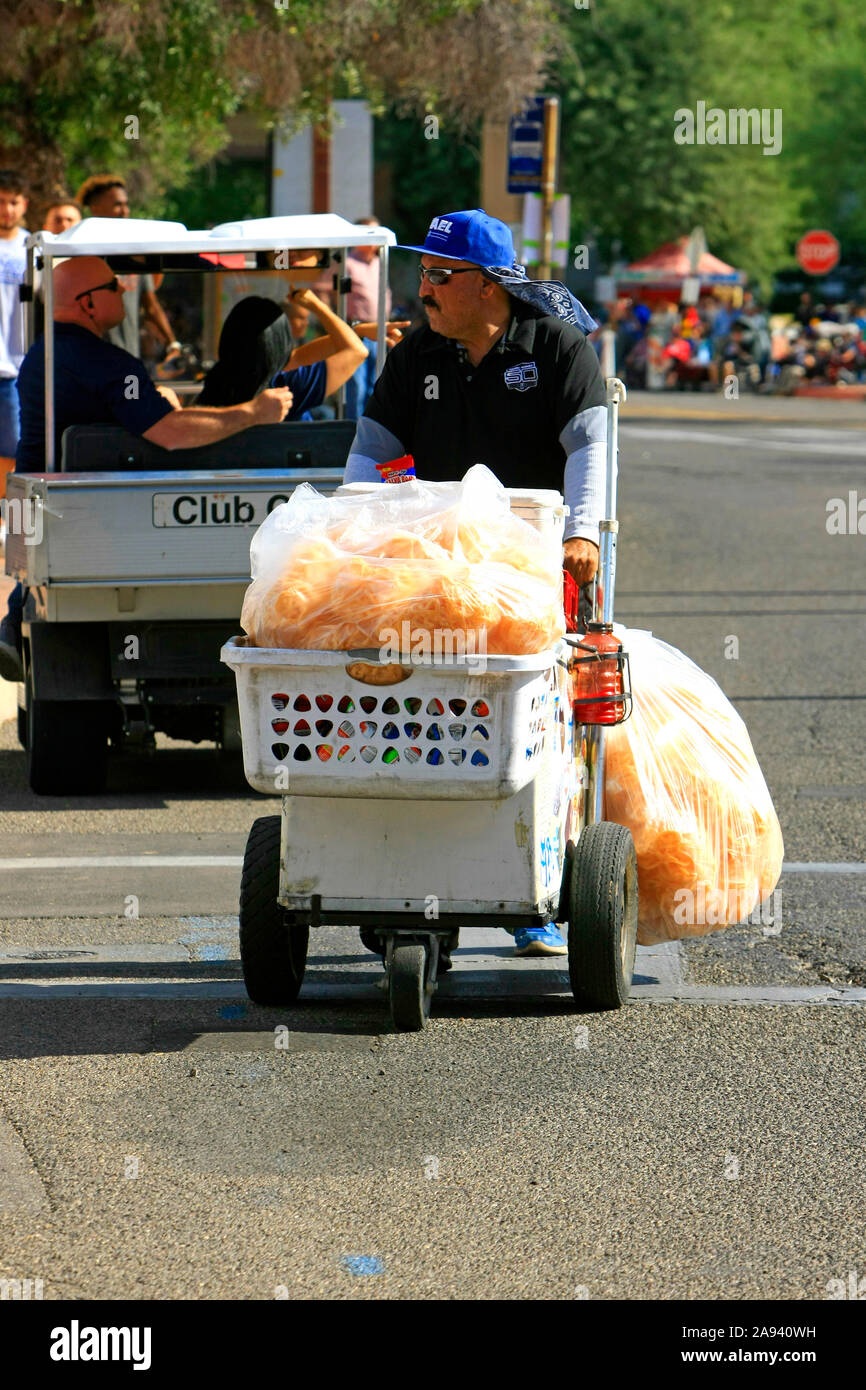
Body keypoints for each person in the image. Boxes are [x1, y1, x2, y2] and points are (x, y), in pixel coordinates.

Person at [345, 207, 608, 961]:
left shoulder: (556, 348)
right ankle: (419, 880)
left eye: (438, 276)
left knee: (539, 727)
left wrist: (582, 531)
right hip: (435, 569)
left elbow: (590, 447)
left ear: (490, 286)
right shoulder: (417, 355)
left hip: (537, 566)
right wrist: (348, 534)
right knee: (417, 709)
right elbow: (373, 452)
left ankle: (536, 891)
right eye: (420, 274)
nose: (421, 290)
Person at [0, 255, 290, 681]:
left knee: (34, 594)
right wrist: (252, 412)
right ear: (88, 303)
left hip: (40, 504)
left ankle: (12, 621)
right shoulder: (104, 361)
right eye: (114, 285)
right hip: (90, 518)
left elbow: (134, 413)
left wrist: (156, 403)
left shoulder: (42, 353)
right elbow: (169, 433)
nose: (125, 290)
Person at [197, 289, 408, 418]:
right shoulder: (287, 388)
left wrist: (359, 330)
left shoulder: (217, 381)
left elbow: (297, 357)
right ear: (281, 339)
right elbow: (356, 351)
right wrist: (317, 305)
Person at [74, 175, 181, 364]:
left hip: (129, 358)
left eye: (126, 204)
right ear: (95, 208)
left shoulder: (136, 252)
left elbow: (151, 306)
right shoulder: (82, 253)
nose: (125, 211)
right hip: (92, 359)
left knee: (131, 394)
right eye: (117, 205)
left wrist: (172, 344)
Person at [343, 216, 393, 419]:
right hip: (357, 331)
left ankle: (372, 427)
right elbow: (324, 289)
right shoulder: (347, 263)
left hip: (379, 330)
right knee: (357, 385)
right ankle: (353, 431)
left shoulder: (379, 263)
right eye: (371, 234)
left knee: (376, 383)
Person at [0, 169, 29, 500]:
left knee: (11, 452)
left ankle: (8, 524)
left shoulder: (33, 247)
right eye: (1, 202)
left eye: (13, 202)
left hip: (14, 368)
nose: (6, 209)